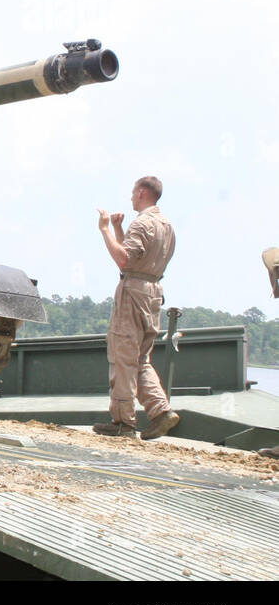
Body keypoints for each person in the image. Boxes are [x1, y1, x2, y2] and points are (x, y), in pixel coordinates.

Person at [94, 176, 179, 440]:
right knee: (141, 358)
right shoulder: (166, 226)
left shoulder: (142, 223)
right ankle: (160, 411)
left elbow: (124, 260)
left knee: (122, 357)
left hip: (132, 293)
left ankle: (123, 423)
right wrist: (121, 231)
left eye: (133, 192)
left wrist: (106, 229)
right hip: (153, 294)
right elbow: (137, 258)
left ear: (142, 192)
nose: (131, 197)